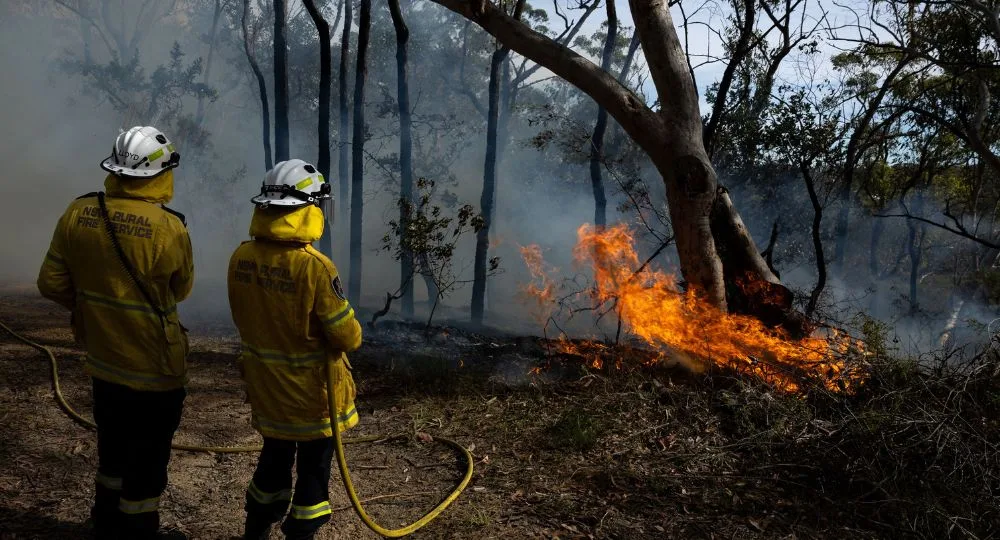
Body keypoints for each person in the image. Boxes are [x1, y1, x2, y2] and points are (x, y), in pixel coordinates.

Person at [37, 126, 193, 539]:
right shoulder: (170, 228)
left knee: (112, 450)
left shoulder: (78, 212)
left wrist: (90, 308)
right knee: (148, 461)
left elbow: (51, 283)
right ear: (162, 174)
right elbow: (181, 289)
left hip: (104, 361)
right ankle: (139, 531)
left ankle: (105, 525)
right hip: (156, 369)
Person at [227, 159, 362, 540]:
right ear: (309, 209)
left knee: (272, 460)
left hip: (267, 389)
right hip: (312, 396)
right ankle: (301, 533)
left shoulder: (241, 257)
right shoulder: (316, 267)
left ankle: (255, 530)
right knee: (313, 474)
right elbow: (347, 337)